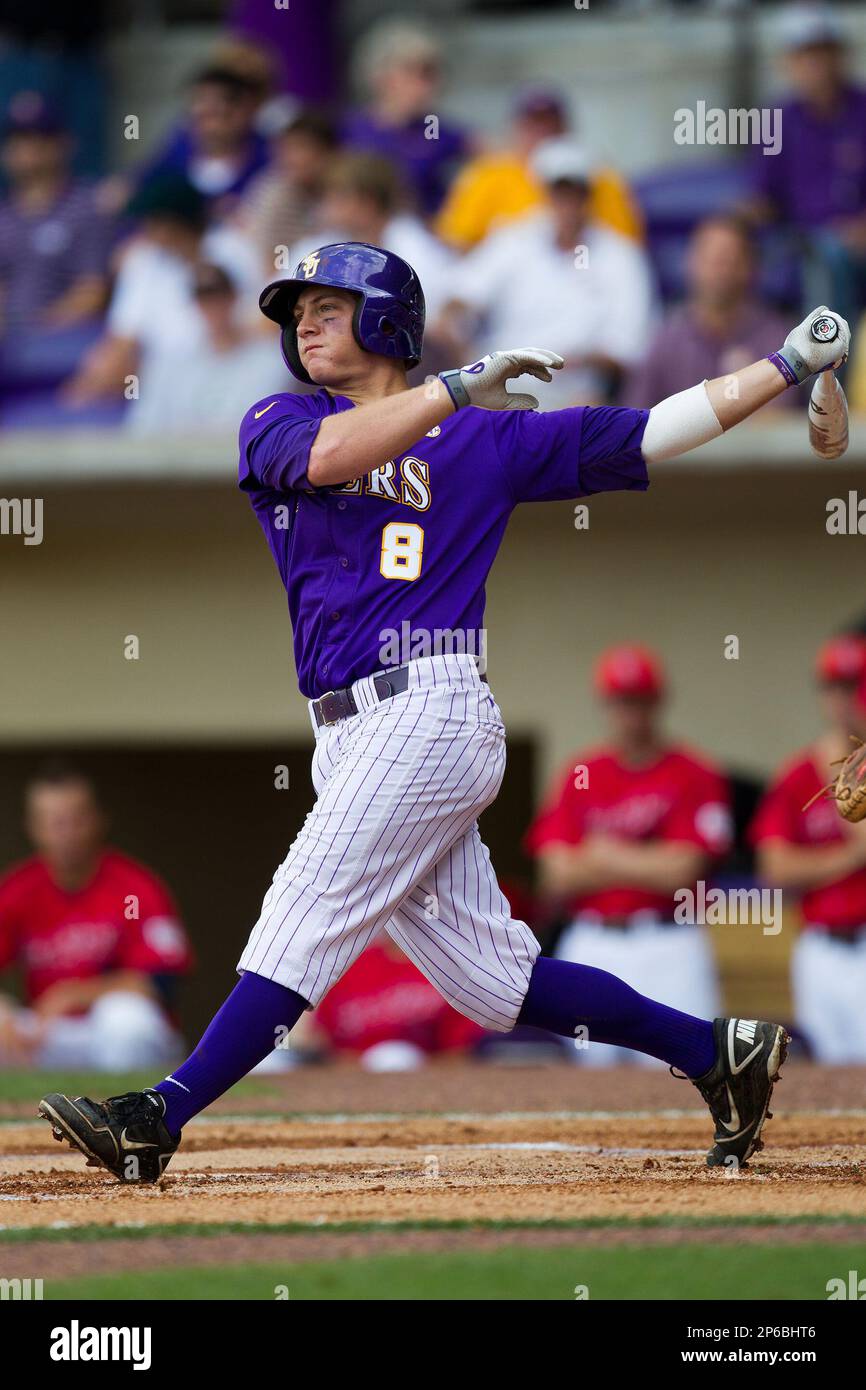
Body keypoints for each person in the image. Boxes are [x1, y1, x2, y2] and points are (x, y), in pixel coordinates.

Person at [40, 242, 851, 1184]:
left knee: (303, 906)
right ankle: (719, 1055)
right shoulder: (280, 416)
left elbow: (655, 429)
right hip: (345, 732)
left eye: (327, 307)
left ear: (386, 322)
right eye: (296, 308)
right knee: (492, 980)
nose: (301, 321)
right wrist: (458, 388)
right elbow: (335, 454)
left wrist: (790, 364)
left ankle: (159, 1114)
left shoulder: (484, 438)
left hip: (430, 706)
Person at [526, 645, 731, 1067]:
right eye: (620, 700)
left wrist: (603, 854)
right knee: (592, 1075)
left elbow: (684, 870)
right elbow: (557, 874)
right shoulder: (581, 773)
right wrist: (648, 860)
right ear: (606, 704)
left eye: (639, 699)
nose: (630, 712)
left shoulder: (693, 770)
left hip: (670, 941)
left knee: (684, 1065)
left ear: (658, 701)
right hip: (593, 941)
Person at [434, 139, 655, 406]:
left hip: (577, 393)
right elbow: (460, 295)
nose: (567, 203)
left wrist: (571, 363)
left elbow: (627, 349)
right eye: (559, 192)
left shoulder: (621, 256)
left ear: (589, 196)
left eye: (576, 192)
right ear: (546, 194)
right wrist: (458, 343)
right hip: (501, 386)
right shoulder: (515, 238)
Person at [0, 764, 191, 1071]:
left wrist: (75, 994)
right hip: (49, 1034)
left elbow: (164, 980)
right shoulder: (18, 889)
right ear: (33, 828)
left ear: (99, 820)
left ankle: (130, 1116)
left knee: (124, 1018)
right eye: (54, 822)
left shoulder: (134, 887)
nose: (66, 834)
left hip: (115, 1034)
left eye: (77, 820)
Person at [751, 635, 866, 1062]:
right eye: (834, 687)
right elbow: (776, 868)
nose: (845, 700)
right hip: (821, 946)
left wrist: (845, 777)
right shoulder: (798, 771)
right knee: (831, 1077)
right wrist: (851, 858)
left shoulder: (825, 765)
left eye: (854, 686)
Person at [64, 174, 261, 411]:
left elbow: (255, 327)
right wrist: (92, 382)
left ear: (176, 222)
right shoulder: (143, 261)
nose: (146, 231)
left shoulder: (234, 250)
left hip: (229, 372)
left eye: (153, 222)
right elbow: (122, 338)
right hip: (160, 381)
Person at [747, 5, 866, 328]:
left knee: (833, 255)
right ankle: (819, 367)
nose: (816, 65)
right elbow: (764, 198)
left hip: (857, 241)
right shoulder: (778, 119)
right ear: (789, 62)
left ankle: (837, 368)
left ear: (841, 55)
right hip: (801, 243)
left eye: (823, 52)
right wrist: (740, 219)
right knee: (823, 256)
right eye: (805, 54)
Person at [0, 93, 114, 406]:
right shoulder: (4, 214)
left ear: (62, 143)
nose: (29, 150)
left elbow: (91, 293)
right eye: (19, 139)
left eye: (39, 138)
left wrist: (30, 328)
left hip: (65, 342)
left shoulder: (87, 206)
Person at [436, 87, 642, 253]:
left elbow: (626, 246)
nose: (543, 133)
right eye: (534, 125)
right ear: (516, 128)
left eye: (551, 124)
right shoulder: (487, 174)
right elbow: (456, 241)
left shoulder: (598, 176)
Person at [626, 215, 796, 410]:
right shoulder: (666, 339)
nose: (720, 269)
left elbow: (784, 427)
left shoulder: (778, 338)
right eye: (711, 259)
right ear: (691, 263)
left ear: (750, 267)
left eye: (730, 259)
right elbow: (637, 416)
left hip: (754, 440)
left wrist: (750, 391)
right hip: (686, 441)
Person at [126, 263, 293, 434]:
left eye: (218, 297)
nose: (212, 307)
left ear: (234, 297)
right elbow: (144, 427)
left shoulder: (270, 362)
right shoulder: (168, 363)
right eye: (204, 299)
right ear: (195, 304)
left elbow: (262, 430)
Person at [288, 152, 455, 322]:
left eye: (338, 197)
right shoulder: (318, 246)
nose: (327, 206)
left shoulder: (413, 242)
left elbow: (441, 307)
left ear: (367, 203)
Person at [341, 20, 468, 218]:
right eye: (413, 72)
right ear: (380, 76)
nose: (426, 85)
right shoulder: (348, 132)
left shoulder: (445, 134)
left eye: (431, 74)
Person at [310, 938, 484, 1069]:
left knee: (398, 1060)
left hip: (428, 1078)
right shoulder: (350, 965)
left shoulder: (449, 967)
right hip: (356, 1081)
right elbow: (324, 1045)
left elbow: (461, 1052)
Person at [235, 110, 338, 279]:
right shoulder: (276, 195)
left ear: (328, 153)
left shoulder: (342, 189)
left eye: (301, 148)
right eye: (287, 149)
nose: (291, 158)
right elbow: (276, 263)